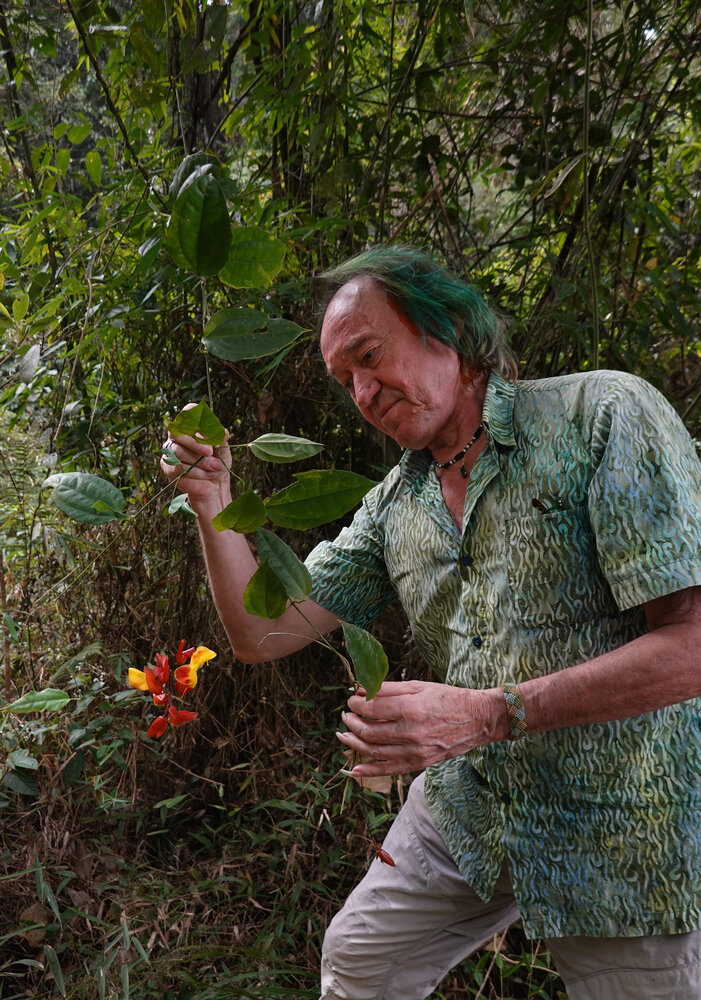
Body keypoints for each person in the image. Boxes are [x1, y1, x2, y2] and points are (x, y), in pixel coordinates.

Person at [161, 245, 701, 1000]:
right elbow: (263, 634)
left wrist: (490, 712)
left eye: (368, 355)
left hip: (623, 819)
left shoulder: (600, 415)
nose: (361, 390)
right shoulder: (395, 506)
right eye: (343, 379)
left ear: (444, 327)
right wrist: (212, 501)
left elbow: (692, 645)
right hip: (468, 807)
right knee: (360, 965)